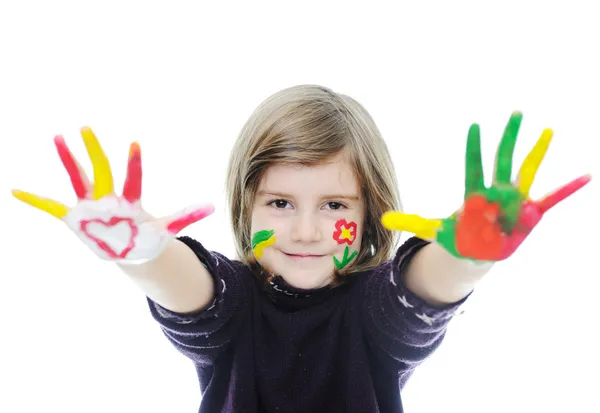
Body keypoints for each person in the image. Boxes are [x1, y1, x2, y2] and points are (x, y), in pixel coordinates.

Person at [12, 85, 591, 413]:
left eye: (336, 206)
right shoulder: (233, 301)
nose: (307, 231)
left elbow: (424, 291)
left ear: (369, 216)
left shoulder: (374, 308)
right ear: (247, 210)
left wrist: (473, 252)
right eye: (280, 204)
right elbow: (187, 288)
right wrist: (140, 254)